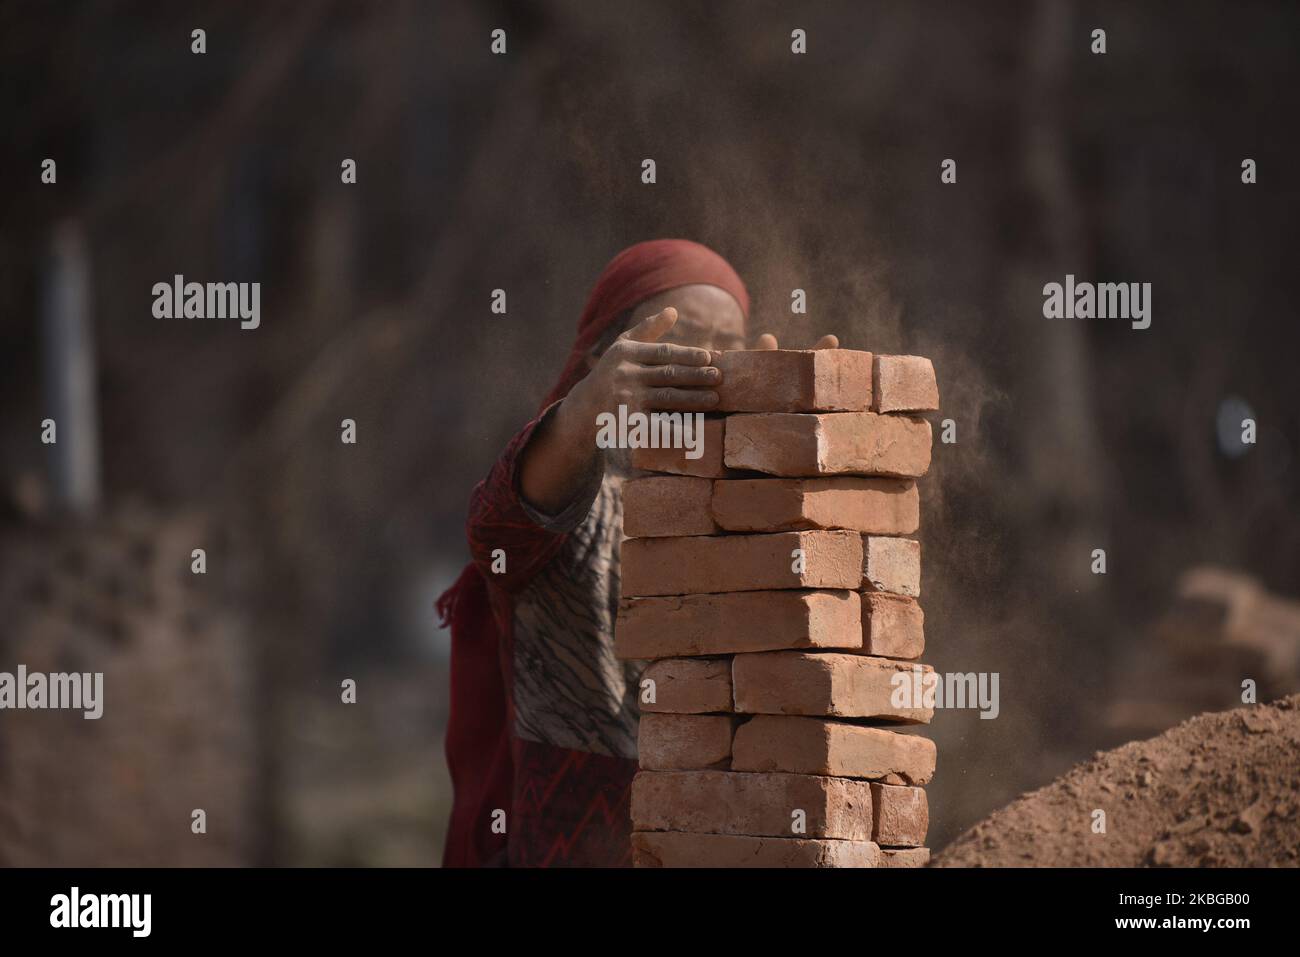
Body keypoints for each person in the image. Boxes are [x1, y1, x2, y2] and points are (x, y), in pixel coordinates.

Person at [437, 239, 836, 866]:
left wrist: (813, 452)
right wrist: (584, 415)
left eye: (727, 347)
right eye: (680, 342)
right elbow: (500, 531)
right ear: (605, 361)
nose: (705, 365)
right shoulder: (578, 502)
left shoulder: (743, 508)